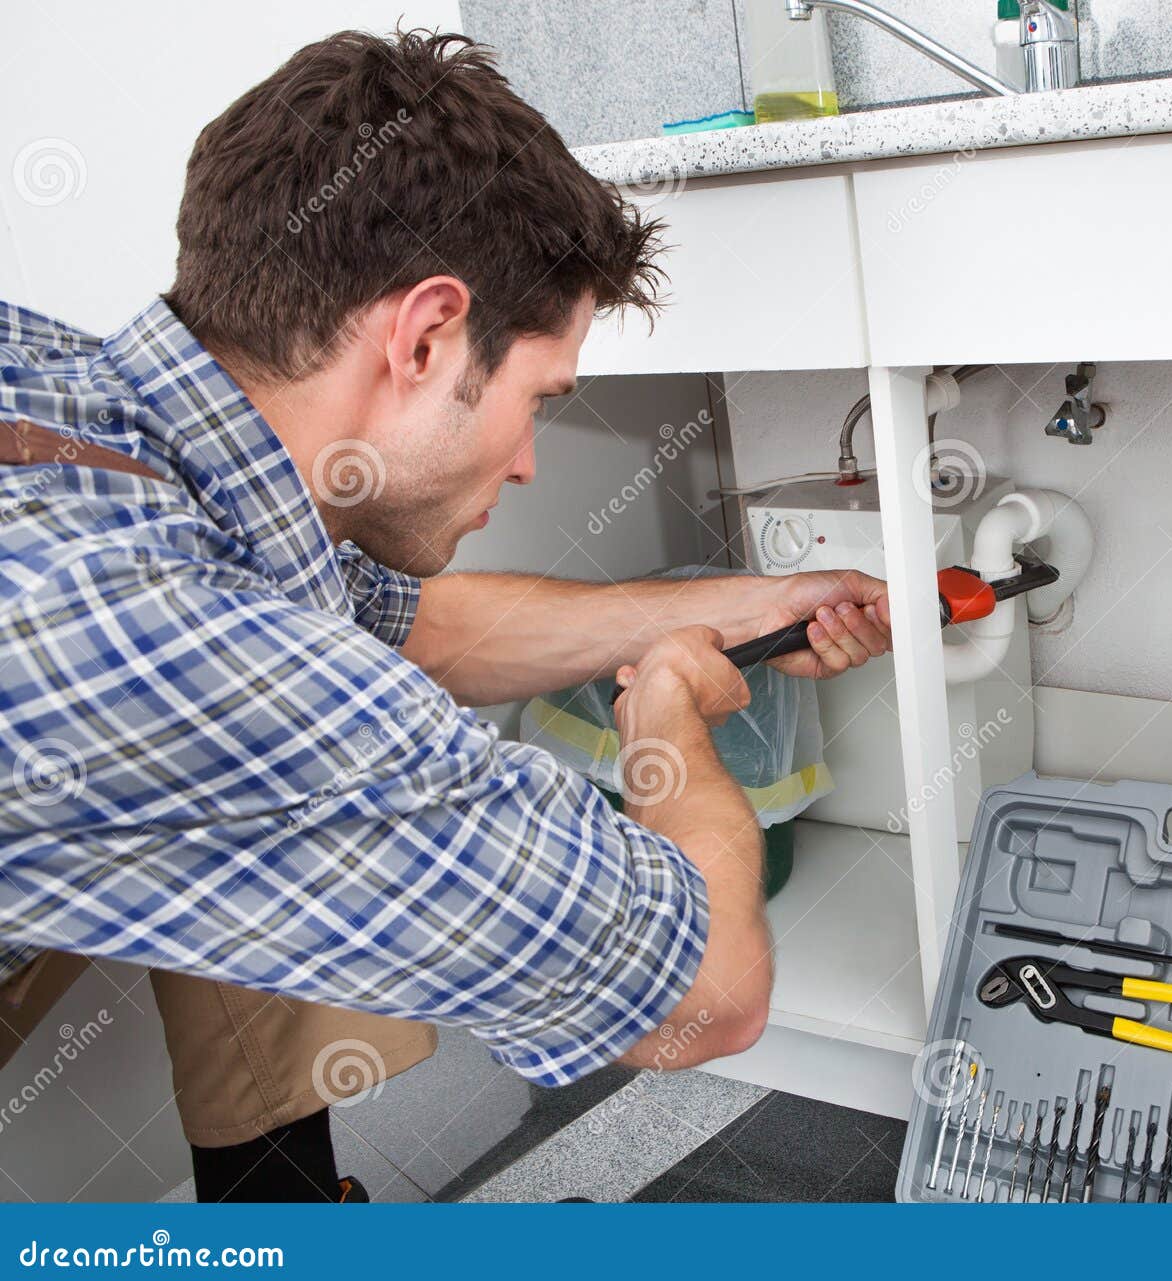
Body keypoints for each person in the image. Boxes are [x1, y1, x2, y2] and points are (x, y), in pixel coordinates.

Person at [0, 29, 891, 1202]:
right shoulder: (152, 636)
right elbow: (708, 1002)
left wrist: (748, 604)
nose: (526, 463)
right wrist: (667, 725)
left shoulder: (74, 392)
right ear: (422, 338)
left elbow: (401, 627)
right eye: (535, 401)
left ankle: (280, 1215)